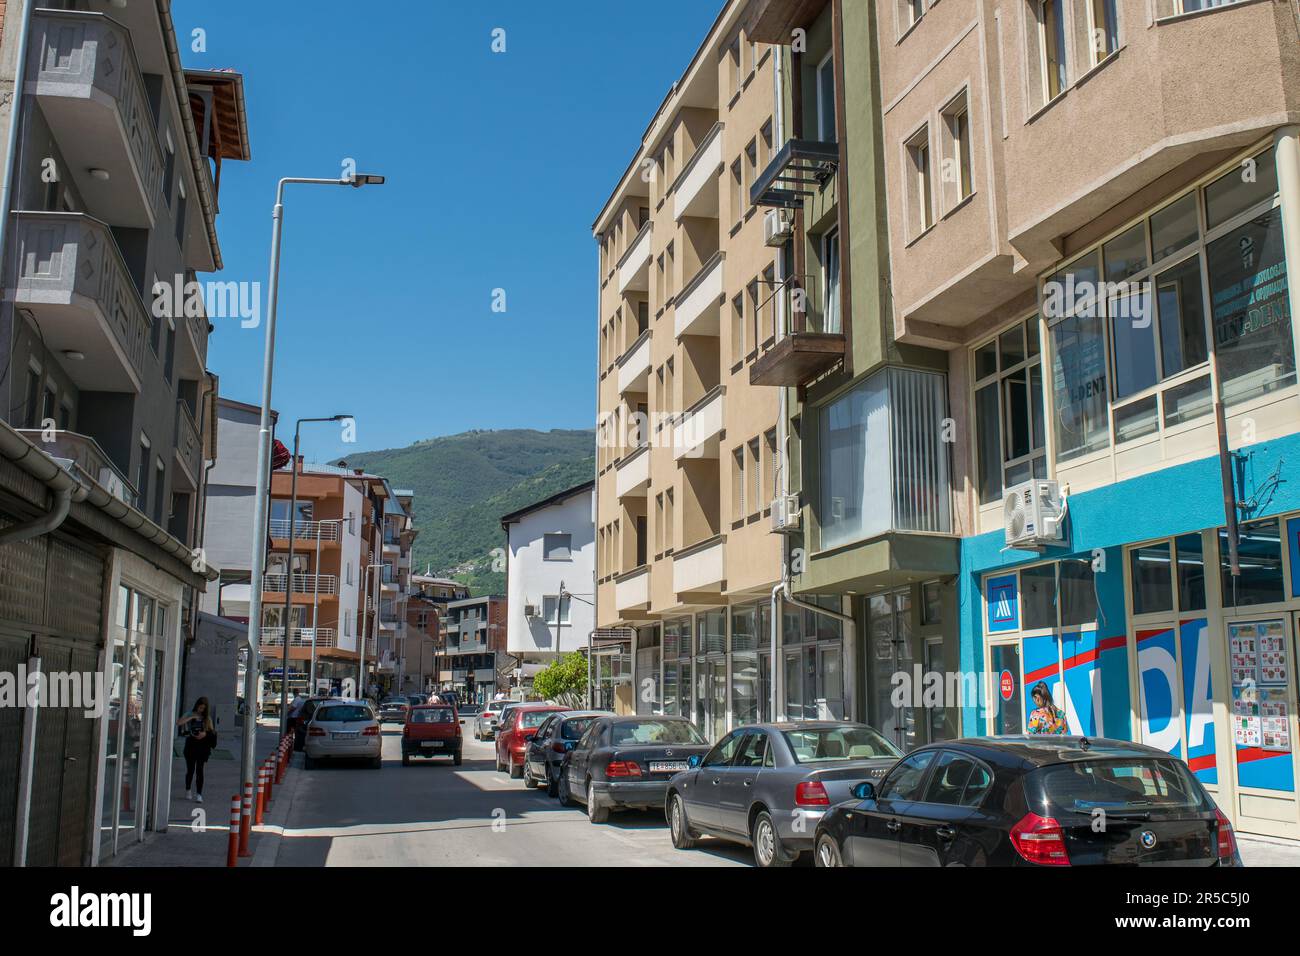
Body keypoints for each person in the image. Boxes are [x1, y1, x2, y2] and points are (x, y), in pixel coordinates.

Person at [176, 697, 218, 802]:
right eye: (200, 707)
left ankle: (199, 794)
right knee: (190, 770)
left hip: (202, 747)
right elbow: (179, 723)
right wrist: (191, 717)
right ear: (196, 706)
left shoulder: (207, 718)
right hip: (191, 745)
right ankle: (188, 789)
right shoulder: (190, 713)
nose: (201, 710)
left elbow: (212, 732)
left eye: (203, 708)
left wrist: (205, 734)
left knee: (200, 770)